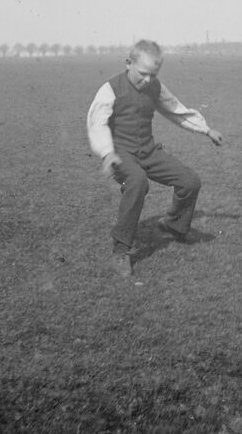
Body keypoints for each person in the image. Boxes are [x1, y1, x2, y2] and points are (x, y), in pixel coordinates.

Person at [86, 40, 223, 279]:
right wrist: (107, 153)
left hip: (148, 151)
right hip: (120, 154)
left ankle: (173, 225)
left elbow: (176, 110)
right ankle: (120, 251)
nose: (148, 80)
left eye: (153, 74)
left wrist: (206, 130)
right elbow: (97, 123)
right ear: (128, 63)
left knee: (190, 181)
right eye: (143, 74)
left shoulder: (154, 86)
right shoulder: (110, 89)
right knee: (138, 182)